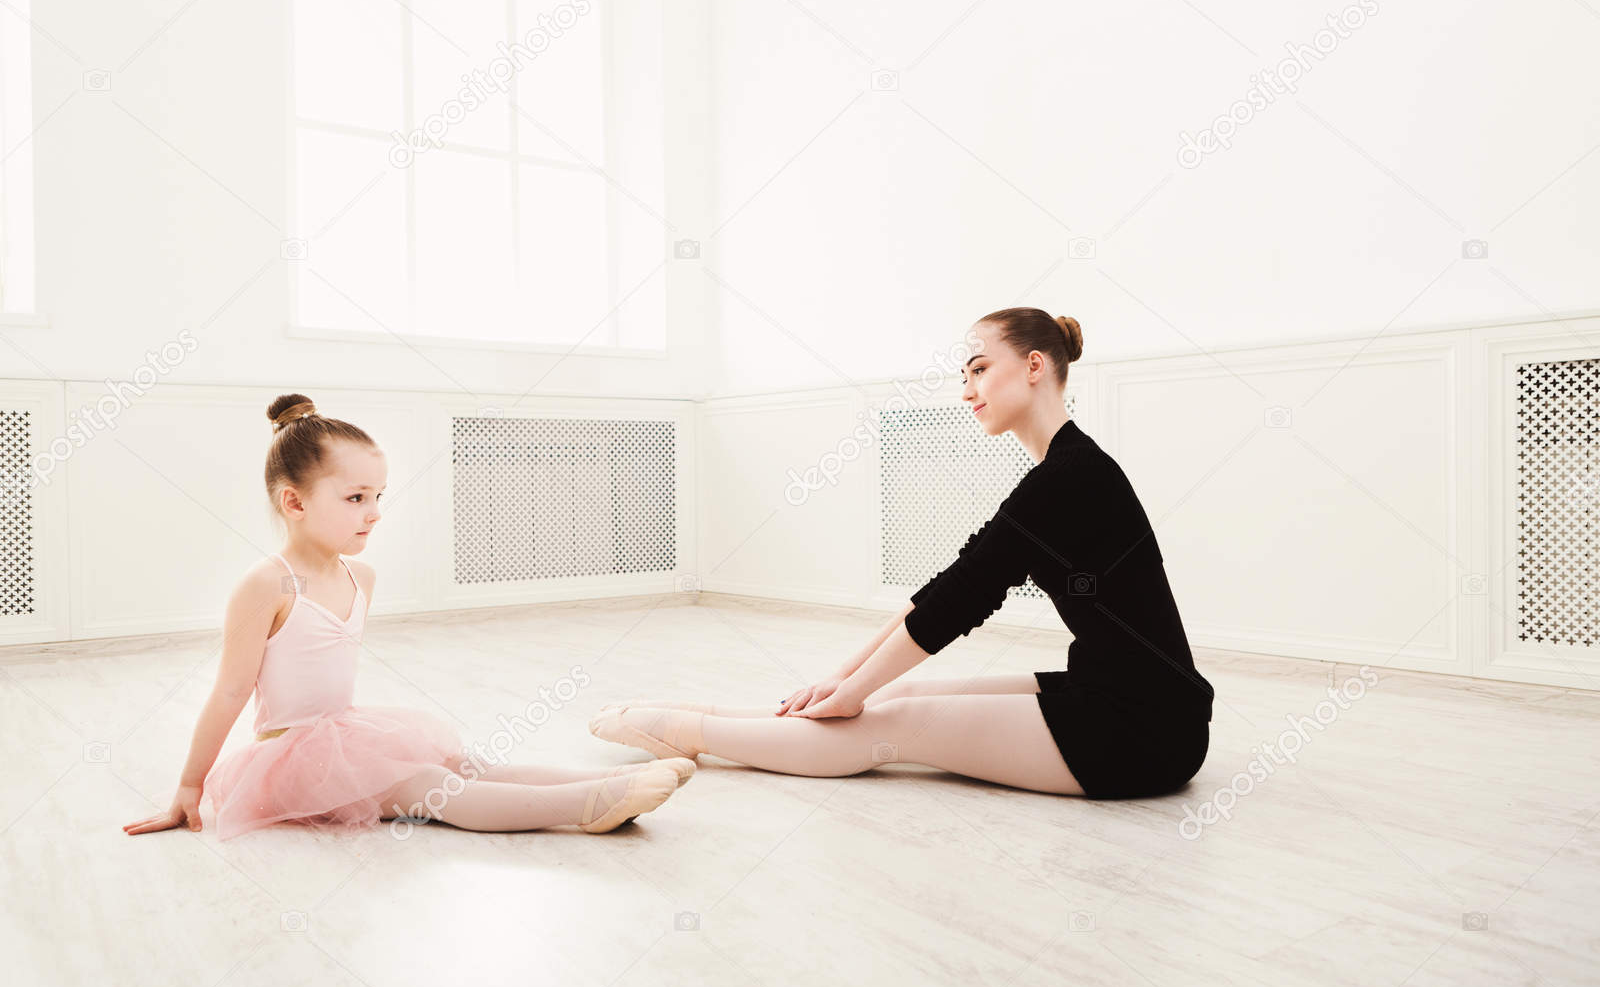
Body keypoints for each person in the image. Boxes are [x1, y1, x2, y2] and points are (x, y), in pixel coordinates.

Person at [589, 308, 1215, 799]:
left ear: (1033, 366)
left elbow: (961, 599)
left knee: (888, 724)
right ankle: (730, 716)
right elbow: (951, 584)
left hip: (1143, 731)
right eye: (965, 376)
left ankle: (691, 733)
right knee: (893, 697)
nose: (967, 391)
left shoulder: (1072, 475)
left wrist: (852, 693)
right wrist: (844, 680)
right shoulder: (1066, 469)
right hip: (1110, 688)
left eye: (979, 370)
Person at [123, 394, 691, 840]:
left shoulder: (359, 577)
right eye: (355, 498)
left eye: (378, 496)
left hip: (344, 734)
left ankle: (610, 779)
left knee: (465, 764)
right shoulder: (266, 584)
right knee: (431, 787)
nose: (374, 513)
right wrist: (190, 785)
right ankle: (586, 806)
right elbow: (229, 693)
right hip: (292, 759)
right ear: (294, 502)